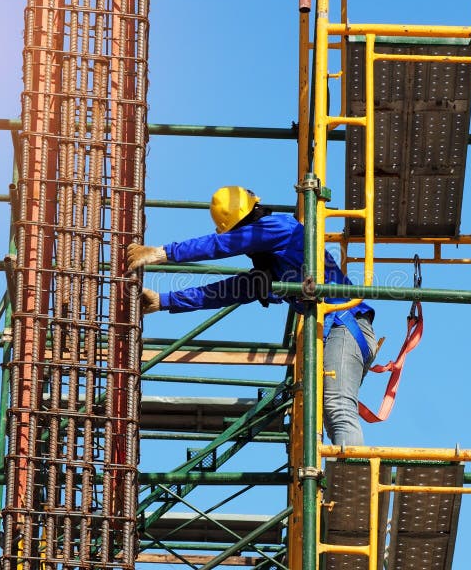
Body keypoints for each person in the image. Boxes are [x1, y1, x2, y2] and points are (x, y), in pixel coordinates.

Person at [127, 186, 377, 446]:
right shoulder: (275, 264)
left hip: (345, 326)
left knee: (337, 409)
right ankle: (345, 469)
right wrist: (164, 301)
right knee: (330, 412)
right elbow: (224, 292)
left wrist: (164, 252)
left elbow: (222, 244)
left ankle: (351, 471)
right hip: (338, 332)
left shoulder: (279, 228)